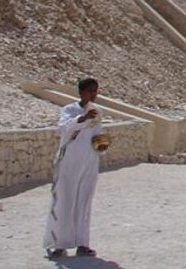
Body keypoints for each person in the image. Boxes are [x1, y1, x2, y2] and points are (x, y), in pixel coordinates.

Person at [44, 77, 105, 259]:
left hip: (89, 162)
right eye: (90, 91)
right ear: (81, 92)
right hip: (69, 162)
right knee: (65, 200)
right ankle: (58, 244)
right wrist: (83, 118)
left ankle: (82, 243)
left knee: (84, 201)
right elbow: (64, 128)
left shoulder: (98, 112)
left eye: (95, 90)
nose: (94, 94)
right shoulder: (70, 110)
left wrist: (102, 143)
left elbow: (97, 134)